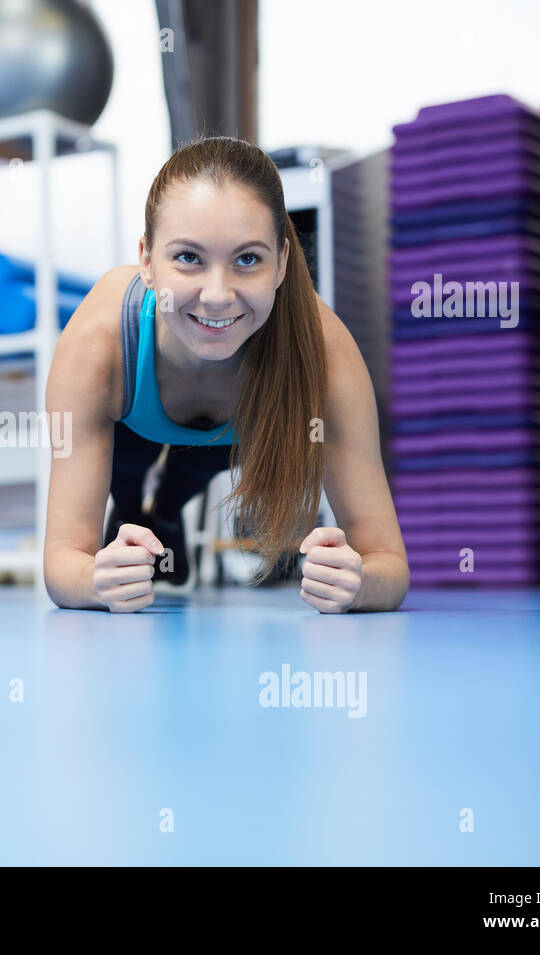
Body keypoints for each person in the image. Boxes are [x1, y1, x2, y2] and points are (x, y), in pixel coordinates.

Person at [43, 136, 408, 613]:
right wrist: (95, 580)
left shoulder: (323, 350)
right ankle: (132, 509)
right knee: (127, 471)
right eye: (189, 258)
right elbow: (61, 561)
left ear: (281, 264)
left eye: (247, 259)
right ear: (147, 262)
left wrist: (358, 583)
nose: (217, 295)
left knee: (199, 460)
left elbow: (389, 563)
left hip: (229, 440)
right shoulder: (99, 340)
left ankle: (167, 510)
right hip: (128, 434)